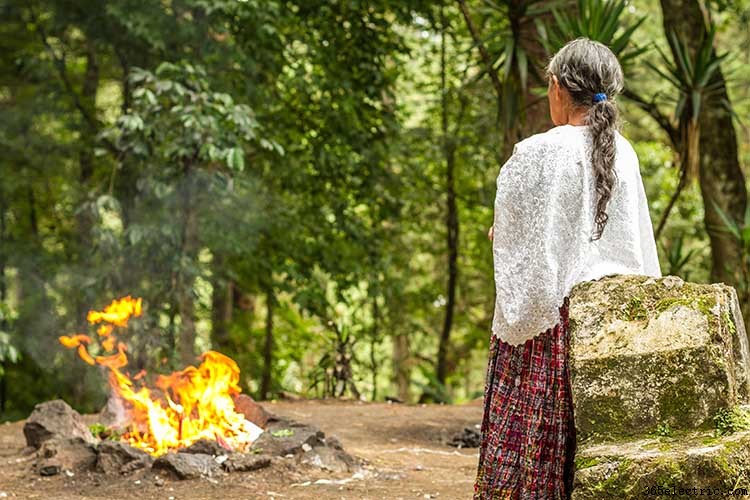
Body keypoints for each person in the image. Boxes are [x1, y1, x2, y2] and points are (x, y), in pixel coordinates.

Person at [473, 38, 662, 499]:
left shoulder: (536, 152)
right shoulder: (627, 153)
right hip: (607, 326)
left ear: (557, 87)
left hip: (546, 334)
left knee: (529, 460)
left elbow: (518, 253)